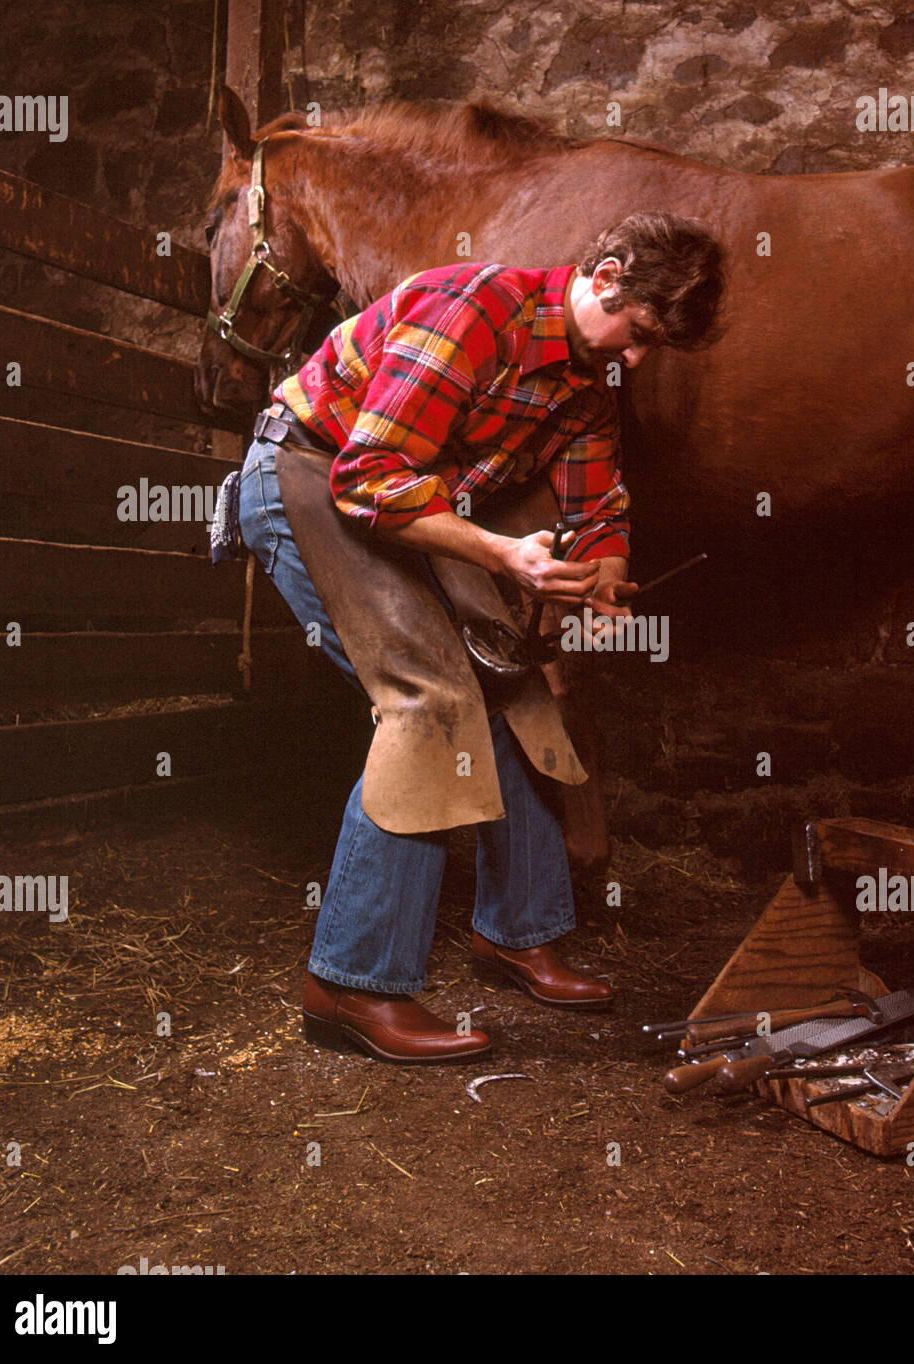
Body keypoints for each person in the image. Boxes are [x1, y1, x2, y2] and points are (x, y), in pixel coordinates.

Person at [237, 212, 726, 1063]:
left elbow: (600, 505)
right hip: (311, 476)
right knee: (431, 702)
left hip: (408, 504)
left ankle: (517, 933)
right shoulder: (473, 308)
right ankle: (350, 984)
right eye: (638, 332)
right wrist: (506, 553)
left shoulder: (587, 379)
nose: (636, 359)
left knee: (516, 689)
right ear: (603, 274)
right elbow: (370, 479)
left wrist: (603, 572)